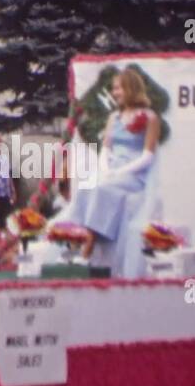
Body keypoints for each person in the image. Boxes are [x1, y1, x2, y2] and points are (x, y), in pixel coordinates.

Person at [63, 68, 162, 278]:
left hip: (134, 174)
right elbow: (106, 149)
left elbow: (148, 155)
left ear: (130, 88)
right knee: (85, 186)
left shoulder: (150, 118)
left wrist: (122, 171)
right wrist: (106, 170)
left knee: (101, 189)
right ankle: (74, 240)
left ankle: (87, 248)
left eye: (118, 88)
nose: (115, 92)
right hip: (113, 171)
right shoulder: (114, 117)